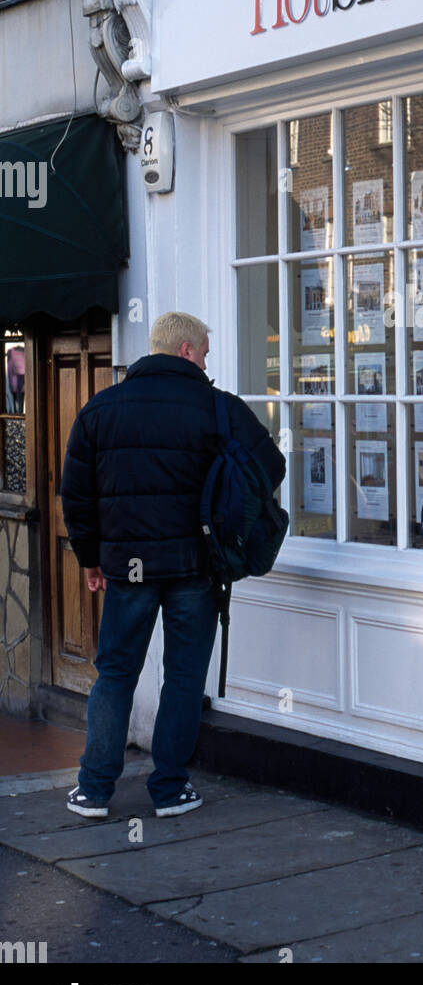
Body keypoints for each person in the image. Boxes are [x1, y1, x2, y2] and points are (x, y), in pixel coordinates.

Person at [60, 311, 286, 819]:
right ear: (185, 350)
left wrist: (91, 558)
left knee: (115, 673)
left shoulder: (101, 408)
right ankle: (170, 789)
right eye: (205, 351)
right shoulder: (218, 409)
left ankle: (94, 790)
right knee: (183, 677)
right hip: (195, 567)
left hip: (128, 568)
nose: (208, 361)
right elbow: (272, 467)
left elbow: (75, 494)